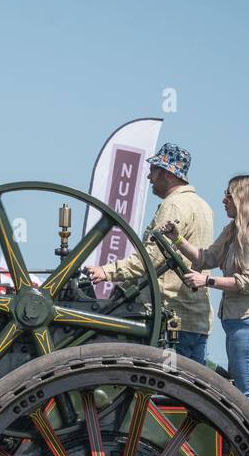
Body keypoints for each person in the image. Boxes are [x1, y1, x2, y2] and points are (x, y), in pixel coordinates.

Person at [85, 143, 215, 364]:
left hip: (168, 318)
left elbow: (151, 259)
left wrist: (105, 272)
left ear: (166, 173)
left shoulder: (174, 206)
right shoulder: (202, 206)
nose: (148, 177)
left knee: (161, 387)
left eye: (153, 171)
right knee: (189, 391)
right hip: (195, 317)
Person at [168, 175, 249, 420]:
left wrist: (207, 281)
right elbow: (206, 258)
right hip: (244, 321)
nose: (223, 200)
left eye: (228, 195)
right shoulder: (234, 231)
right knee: (246, 393)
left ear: (243, 199)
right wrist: (177, 239)